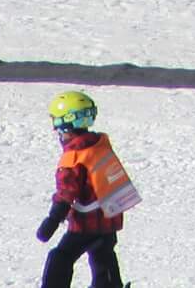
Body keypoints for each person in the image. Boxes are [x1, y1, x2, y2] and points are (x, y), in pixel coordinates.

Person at [37, 90, 137, 288]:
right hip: (109, 216)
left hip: (86, 223)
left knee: (61, 257)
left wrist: (52, 221)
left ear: (66, 124)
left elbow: (66, 194)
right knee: (103, 255)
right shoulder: (100, 144)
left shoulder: (74, 157)